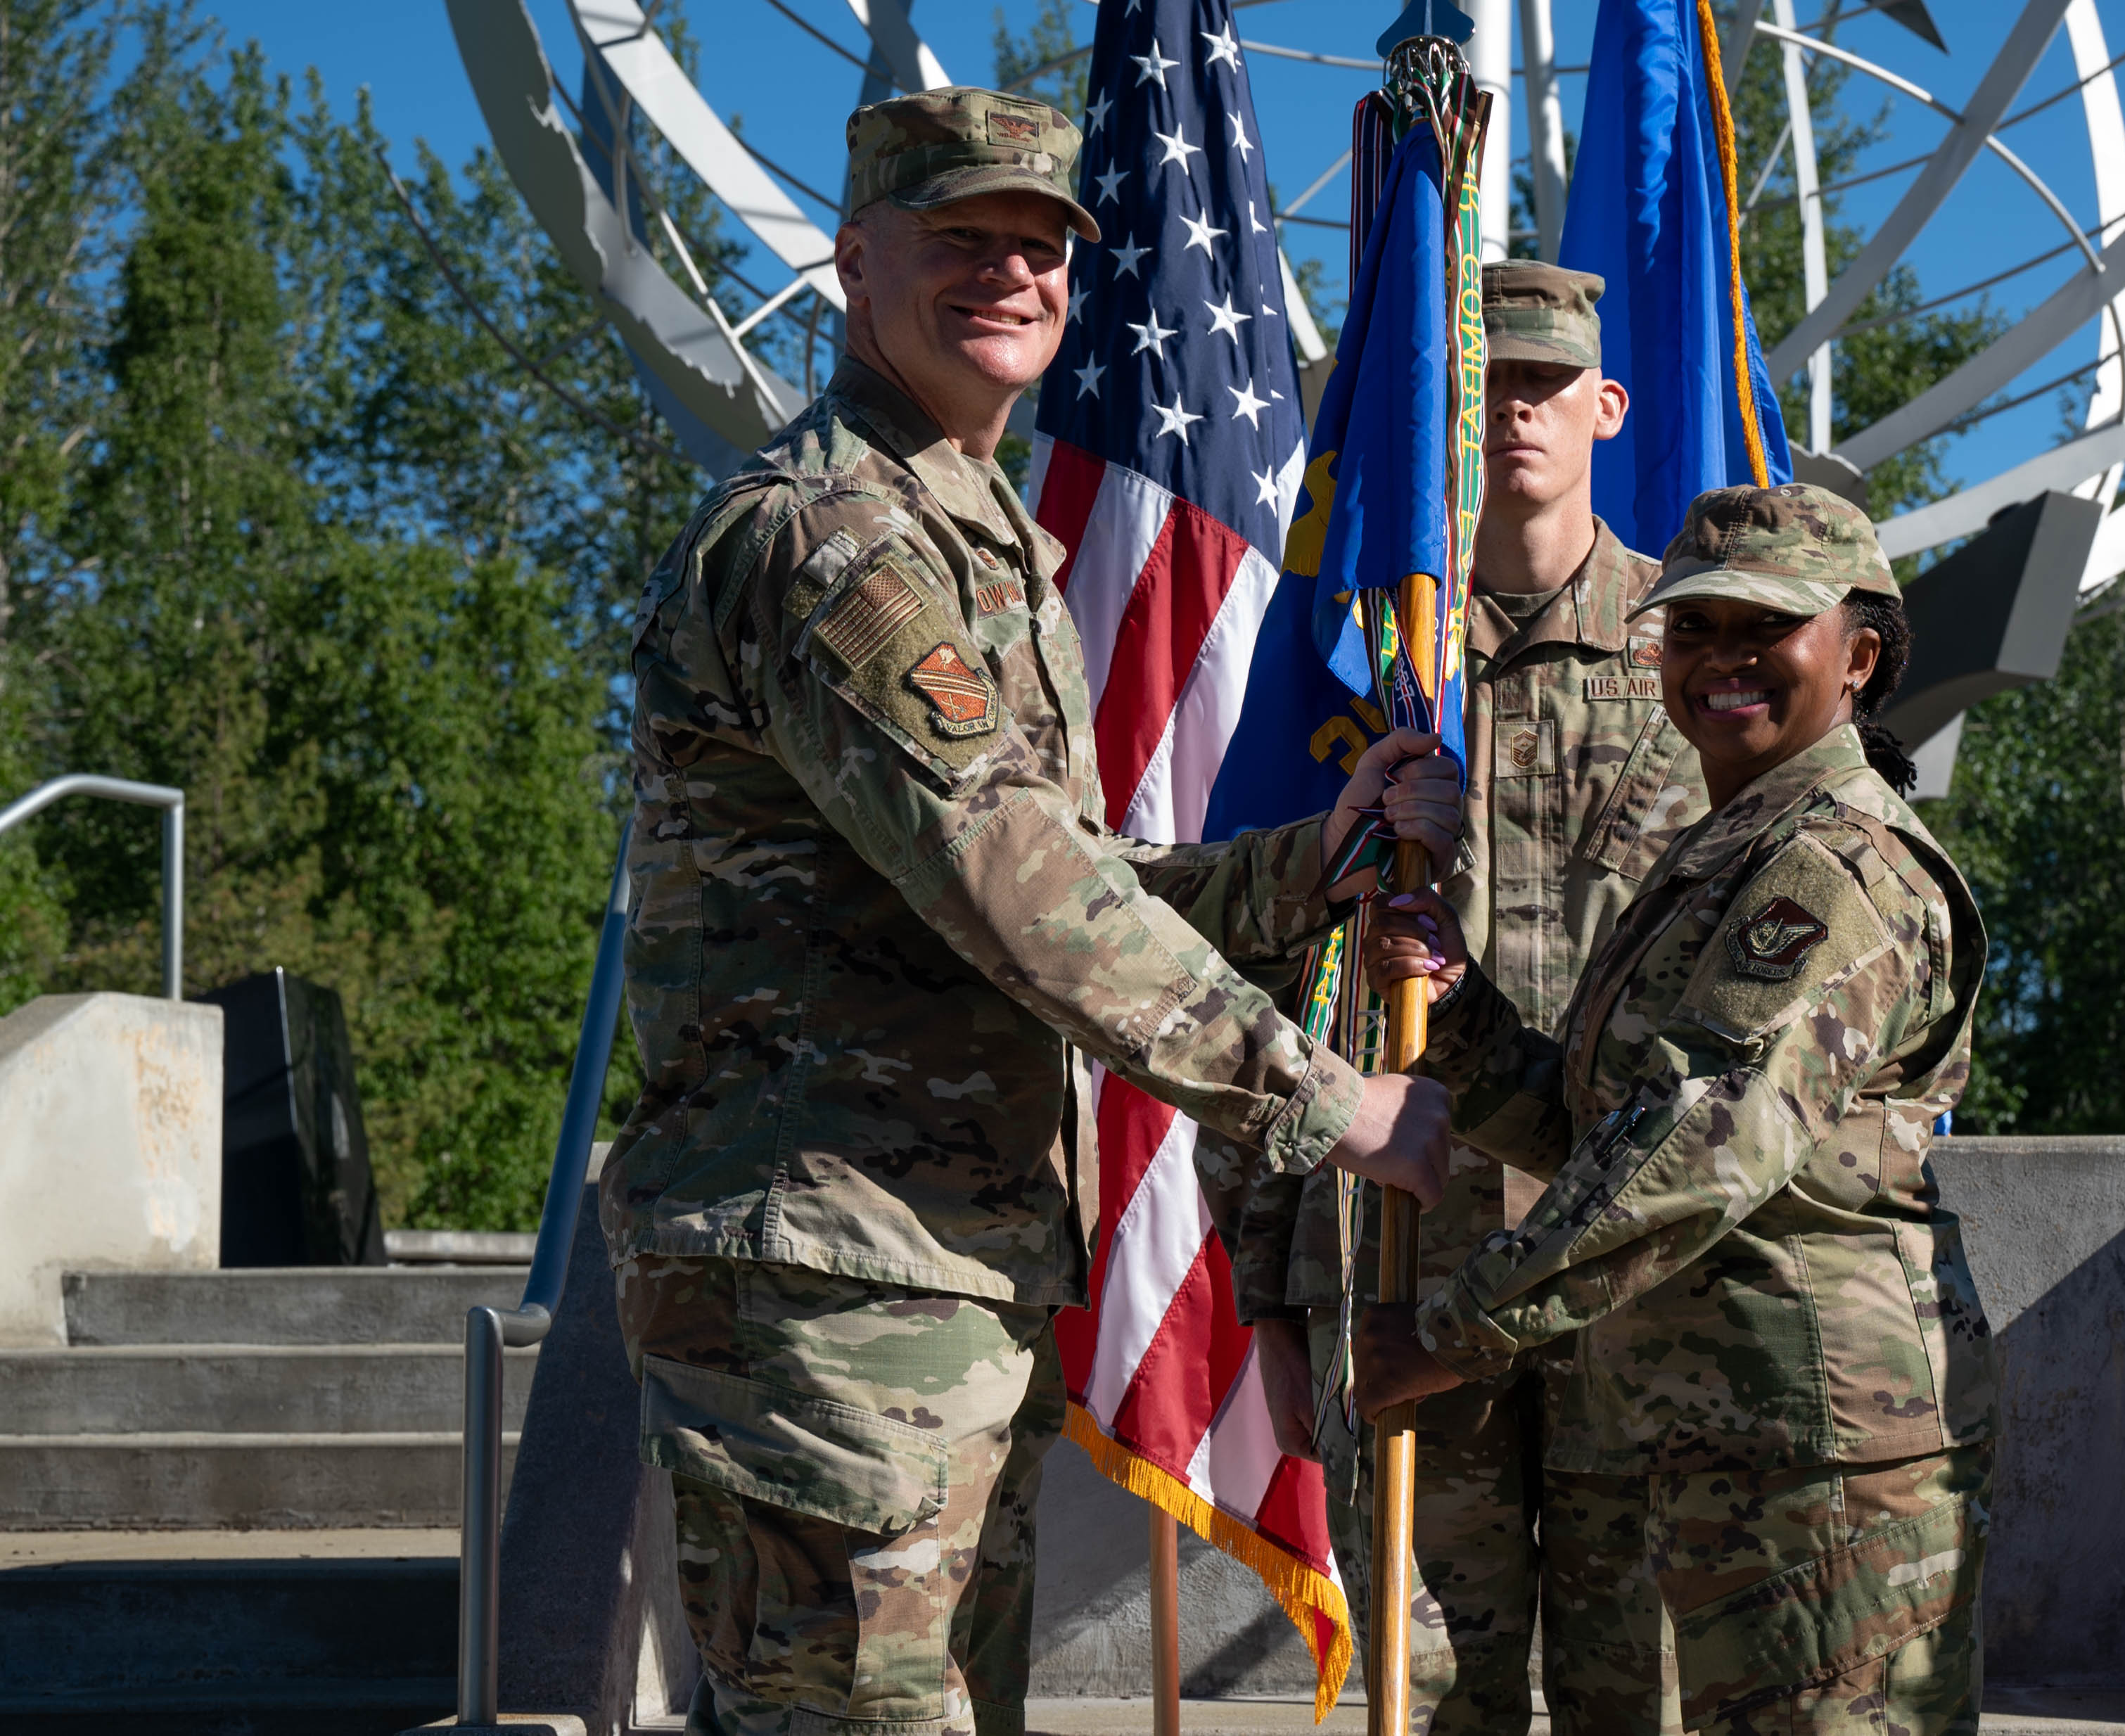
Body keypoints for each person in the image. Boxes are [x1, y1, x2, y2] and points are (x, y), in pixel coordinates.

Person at [602, 87, 1460, 1736]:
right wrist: (1331, 1104)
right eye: (958, 240)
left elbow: (1059, 873)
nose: (1010, 275)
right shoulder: (830, 540)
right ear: (854, 262)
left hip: (936, 1274)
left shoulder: (975, 534)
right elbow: (1015, 889)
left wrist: (1310, 865)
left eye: (1038, 247)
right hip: (830, 1285)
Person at [1353, 483, 1999, 1736]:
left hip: (1821, 1464)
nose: (1720, 661)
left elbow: (1697, 1146)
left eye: (1765, 628)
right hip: (1731, 1439)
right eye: (1691, 630)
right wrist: (1462, 1010)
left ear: (1857, 655)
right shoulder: (1729, 849)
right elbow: (1608, 1123)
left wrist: (1458, 1330)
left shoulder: (1833, 866)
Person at [1237, 260, 1706, 1735]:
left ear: (1605, 407)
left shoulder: (1702, 659)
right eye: (1481, 384)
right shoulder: (1360, 657)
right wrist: (1260, 1269)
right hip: (1401, 1251)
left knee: (1639, 1683)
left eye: (1542, 384)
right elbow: (1262, 955)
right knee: (1435, 1691)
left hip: (1619, 1258)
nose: (1510, 412)